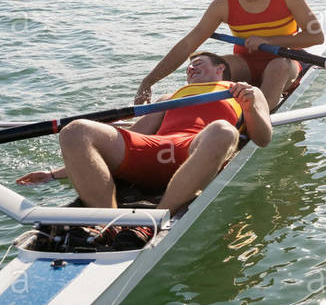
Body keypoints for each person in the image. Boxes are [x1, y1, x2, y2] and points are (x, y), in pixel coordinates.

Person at [17, 52, 269, 224]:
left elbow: (263, 137)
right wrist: (54, 174)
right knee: (75, 130)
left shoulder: (244, 90)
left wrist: (249, 107)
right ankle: (108, 222)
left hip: (194, 150)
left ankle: (157, 220)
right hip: (154, 150)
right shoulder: (171, 96)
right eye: (189, 67)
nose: (191, 68)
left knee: (223, 130)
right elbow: (137, 132)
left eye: (199, 63)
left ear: (220, 68)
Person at [136, 0, 323, 112]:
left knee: (278, 67)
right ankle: (183, 113)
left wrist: (269, 41)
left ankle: (252, 121)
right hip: (246, 64)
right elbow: (187, 45)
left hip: (284, 62)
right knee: (209, 67)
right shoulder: (223, 5)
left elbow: (316, 36)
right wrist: (148, 81)